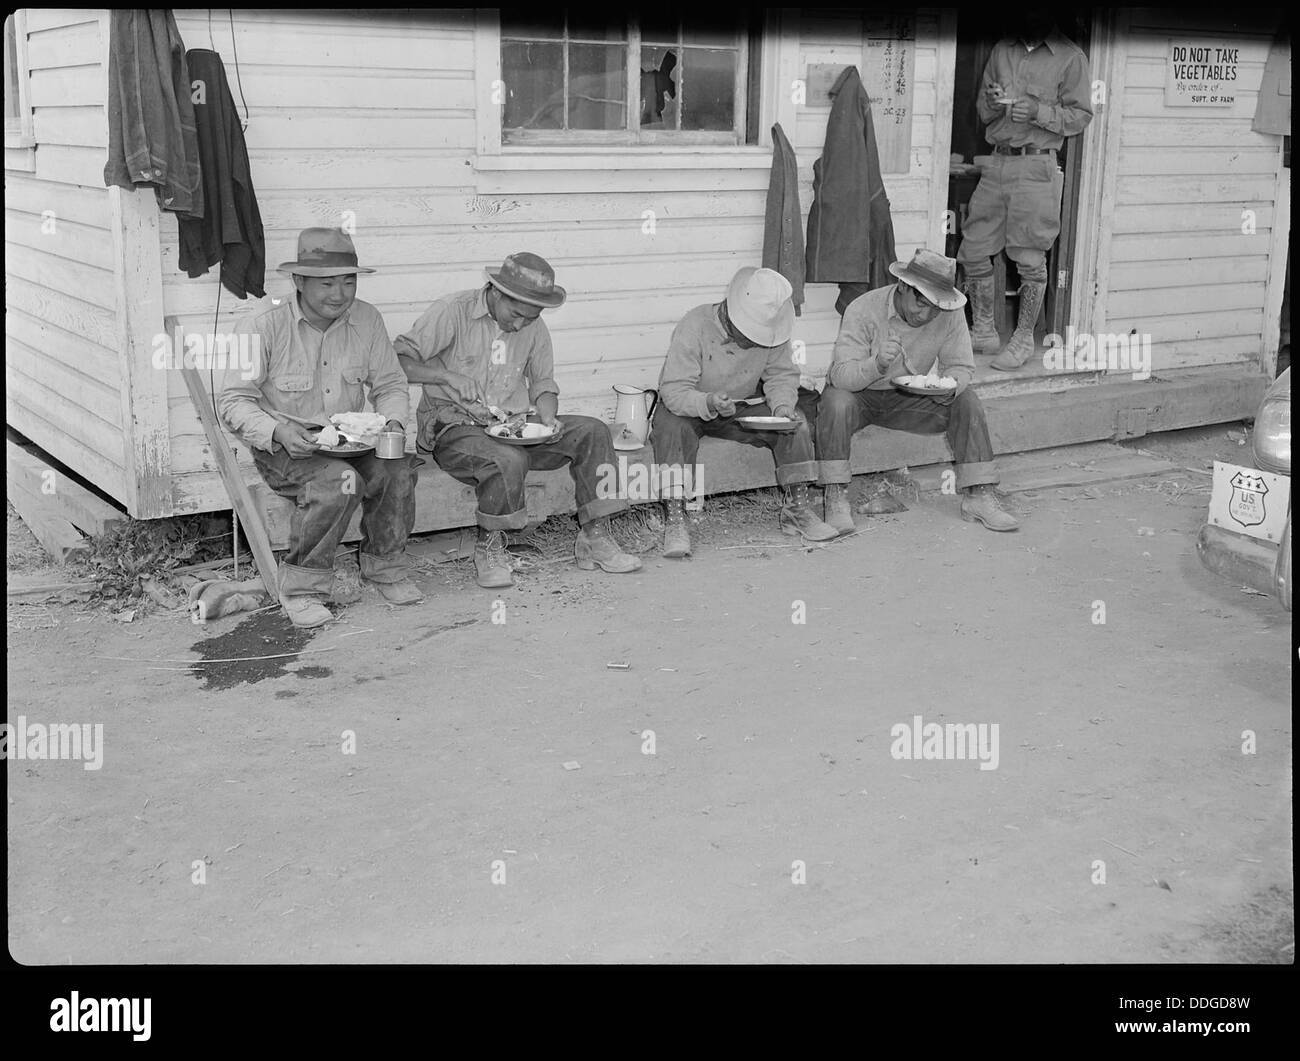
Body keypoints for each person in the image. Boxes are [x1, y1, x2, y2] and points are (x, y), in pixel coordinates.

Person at [395, 252, 640, 588]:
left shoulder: (533, 327)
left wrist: (548, 416)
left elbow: (543, 385)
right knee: (508, 458)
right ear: (495, 292)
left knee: (592, 431)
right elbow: (399, 360)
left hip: (515, 427)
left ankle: (595, 537)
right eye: (516, 314)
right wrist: (444, 376)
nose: (521, 324)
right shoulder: (453, 311)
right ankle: (491, 546)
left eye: (532, 316)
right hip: (455, 428)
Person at [219, 227, 423, 629]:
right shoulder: (262, 323)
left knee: (397, 468)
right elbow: (232, 401)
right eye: (327, 283)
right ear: (298, 281)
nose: (340, 293)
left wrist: (393, 423)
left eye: (349, 281)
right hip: (288, 445)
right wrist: (278, 433)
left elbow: (390, 385)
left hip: (352, 441)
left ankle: (384, 567)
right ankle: (302, 589)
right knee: (337, 481)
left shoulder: (367, 319)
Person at [816, 249, 1020, 533]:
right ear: (902, 286)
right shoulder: (863, 309)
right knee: (835, 401)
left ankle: (979, 495)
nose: (927, 315)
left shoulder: (949, 312)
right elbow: (840, 377)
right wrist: (876, 364)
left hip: (910, 399)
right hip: (862, 396)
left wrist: (948, 385)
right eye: (922, 304)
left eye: (936, 308)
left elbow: (961, 366)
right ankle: (835, 496)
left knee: (967, 401)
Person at [651, 267, 840, 557]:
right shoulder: (695, 324)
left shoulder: (774, 329)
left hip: (742, 407)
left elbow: (781, 376)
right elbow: (673, 391)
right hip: (691, 406)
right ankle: (676, 518)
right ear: (732, 312)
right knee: (669, 425)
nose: (756, 340)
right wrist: (709, 402)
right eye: (750, 333)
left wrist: (782, 407)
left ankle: (797, 510)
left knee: (795, 423)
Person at [957, 10, 1092, 370]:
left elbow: (1080, 116)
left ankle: (1021, 341)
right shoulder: (1003, 48)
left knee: (1029, 257)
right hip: (997, 161)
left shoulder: (1070, 57)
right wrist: (992, 98)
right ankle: (984, 330)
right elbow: (984, 112)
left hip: (1037, 166)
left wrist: (1037, 111)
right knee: (972, 249)